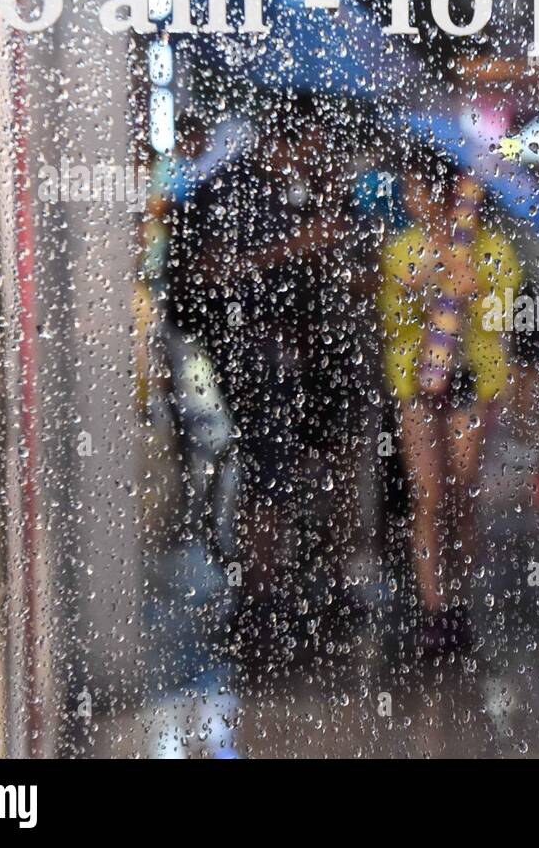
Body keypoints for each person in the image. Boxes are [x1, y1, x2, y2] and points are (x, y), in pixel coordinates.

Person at [167, 102, 362, 667]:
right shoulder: (225, 192)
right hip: (254, 353)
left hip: (319, 350)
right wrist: (294, 247)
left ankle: (329, 585)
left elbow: (342, 271)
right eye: (306, 145)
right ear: (281, 140)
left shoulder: (319, 188)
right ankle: (257, 599)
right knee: (268, 467)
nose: (314, 156)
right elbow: (197, 277)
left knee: (335, 459)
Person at [379, 149, 522, 656]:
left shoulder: (491, 249)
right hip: (418, 383)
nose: (414, 199)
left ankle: (458, 599)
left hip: (469, 381)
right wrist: (423, 294)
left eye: (422, 188)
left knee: (461, 492)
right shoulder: (401, 252)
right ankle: (432, 606)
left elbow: (505, 313)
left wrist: (473, 287)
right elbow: (391, 324)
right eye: (410, 189)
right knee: (427, 496)